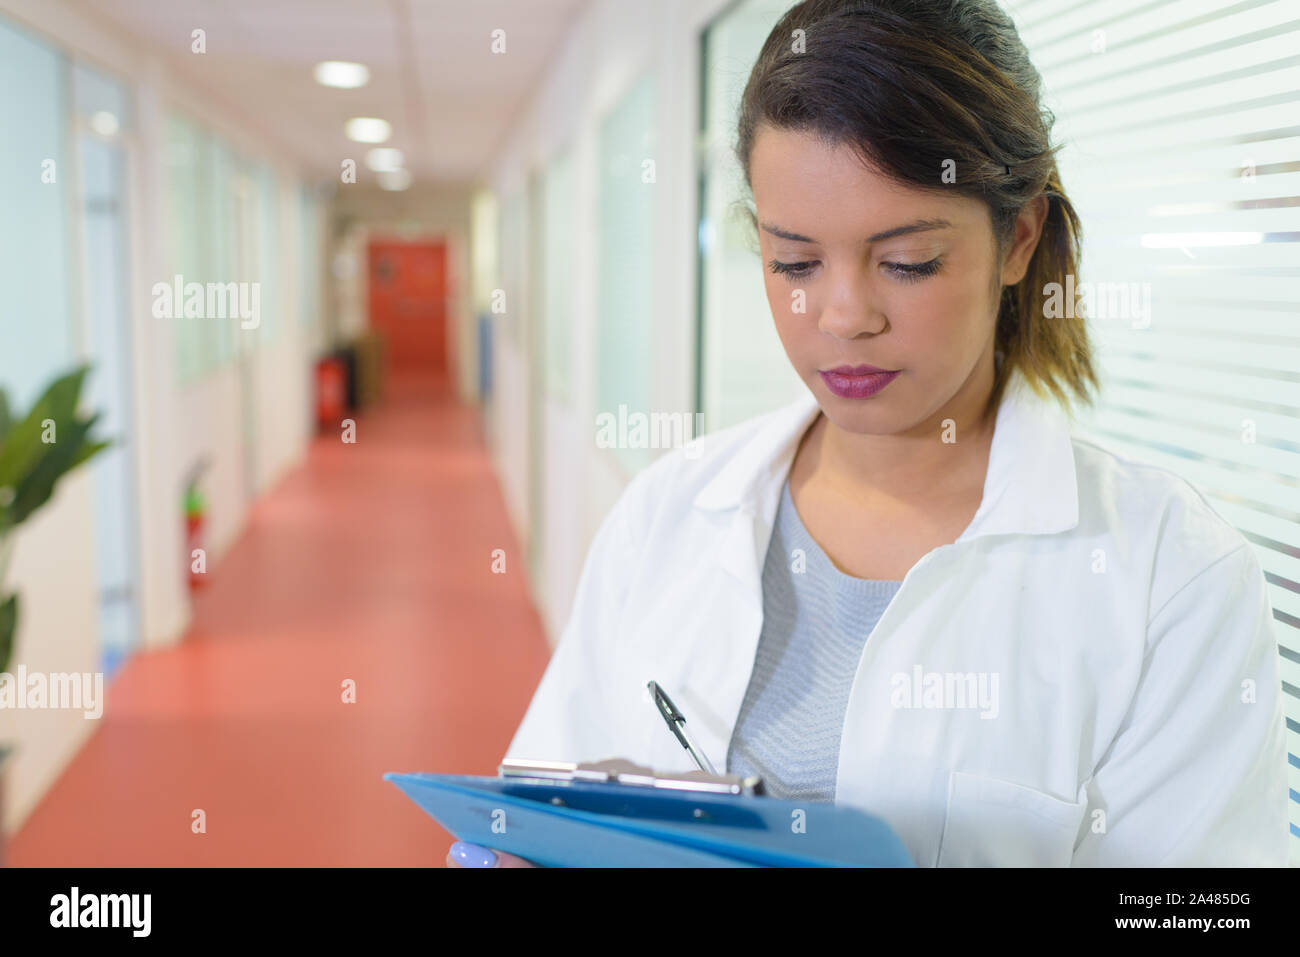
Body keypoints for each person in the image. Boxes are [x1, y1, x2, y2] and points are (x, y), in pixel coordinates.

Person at [448, 0, 1288, 868]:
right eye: (795, 262)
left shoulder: (1170, 579)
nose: (843, 317)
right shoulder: (668, 513)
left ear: (1019, 239)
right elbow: (555, 787)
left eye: (907, 261)